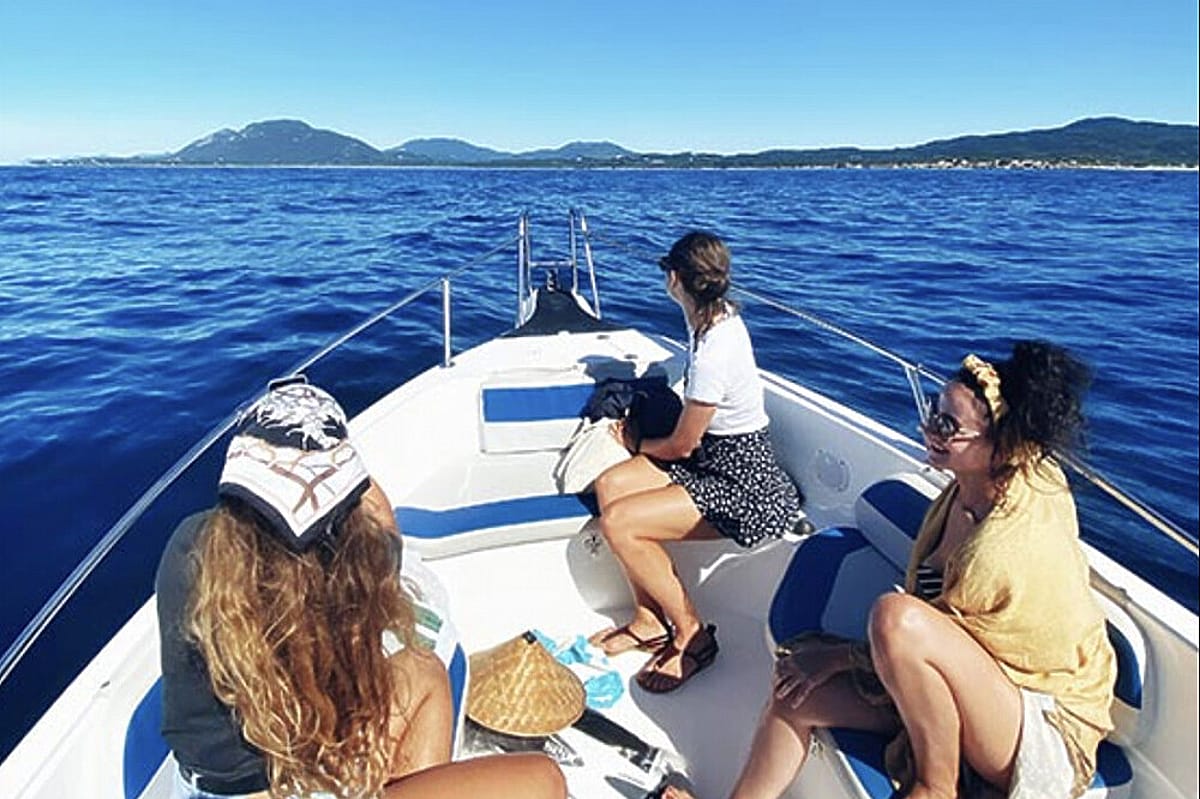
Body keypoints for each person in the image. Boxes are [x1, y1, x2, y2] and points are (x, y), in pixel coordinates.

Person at [663, 341, 1117, 799]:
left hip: (1039, 725)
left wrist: (839, 657)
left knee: (894, 616)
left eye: (947, 425)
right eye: (934, 412)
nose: (929, 429)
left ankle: (935, 786)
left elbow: (927, 635)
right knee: (793, 697)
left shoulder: (1001, 545)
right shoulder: (970, 485)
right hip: (962, 687)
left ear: (1004, 445)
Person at [156, 377, 566, 799]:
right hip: (283, 784)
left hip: (210, 787)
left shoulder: (189, 544)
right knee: (544, 778)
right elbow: (386, 529)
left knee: (422, 671)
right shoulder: (352, 564)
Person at [587, 231, 804, 693]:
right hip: (711, 458)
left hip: (741, 480)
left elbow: (682, 445)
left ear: (675, 280)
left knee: (621, 523)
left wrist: (636, 440)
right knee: (610, 487)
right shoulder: (712, 319)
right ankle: (648, 620)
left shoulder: (713, 353)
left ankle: (693, 636)